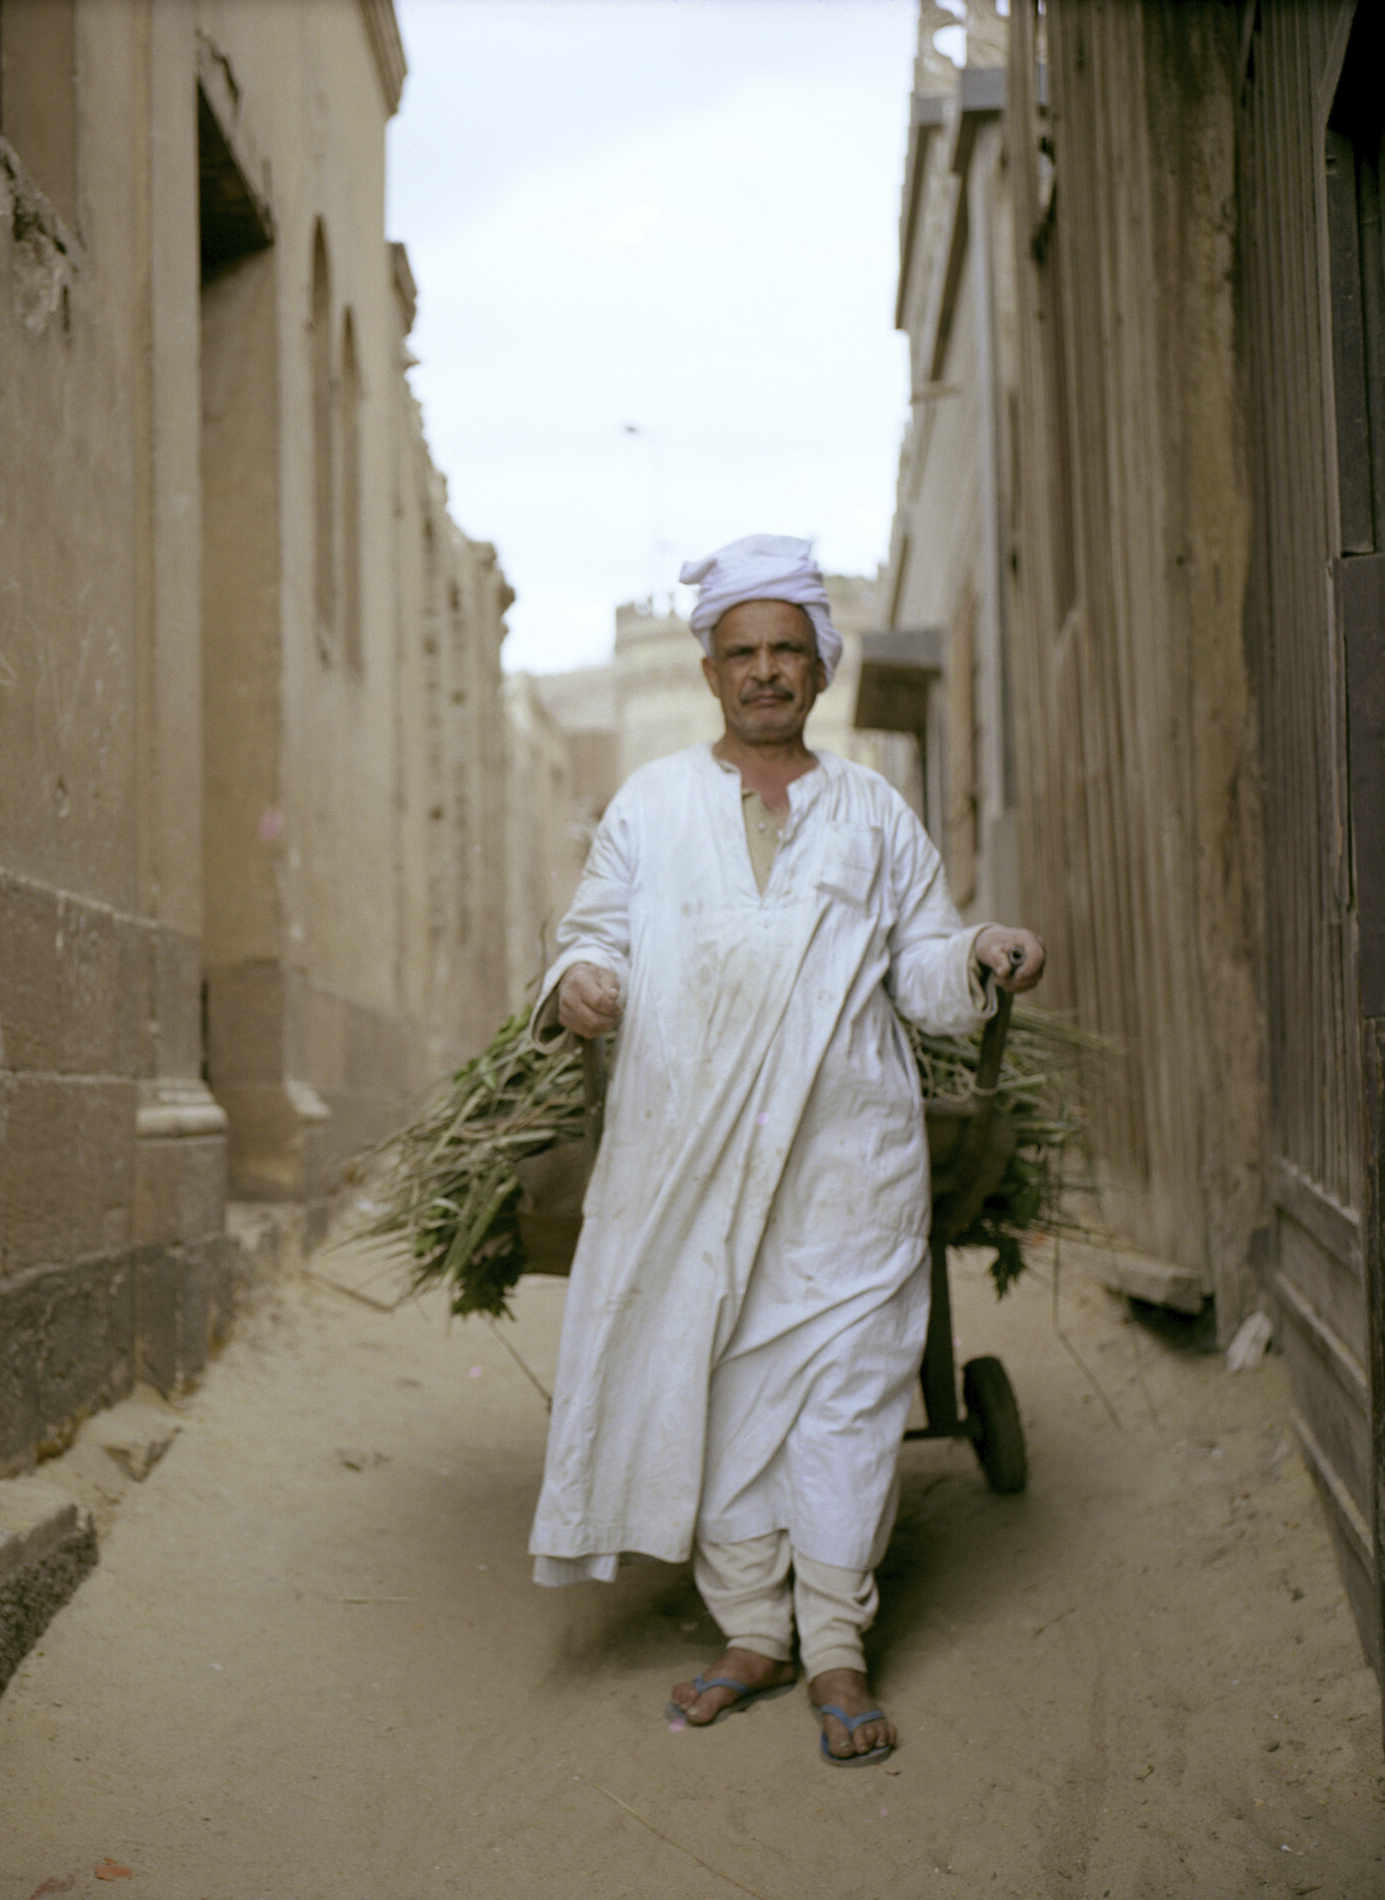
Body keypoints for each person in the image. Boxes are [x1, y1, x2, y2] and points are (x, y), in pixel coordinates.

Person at [530, 534, 1044, 1764]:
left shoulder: (871, 810)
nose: (765, 672)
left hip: (848, 1172)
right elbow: (586, 935)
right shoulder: (649, 806)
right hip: (686, 1167)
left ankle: (836, 1646)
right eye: (741, 652)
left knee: (850, 1402)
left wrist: (974, 951)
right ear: (709, 670)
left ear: (822, 665)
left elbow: (920, 967)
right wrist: (585, 980)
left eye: (787, 651)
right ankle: (751, 1629)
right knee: (719, 1394)